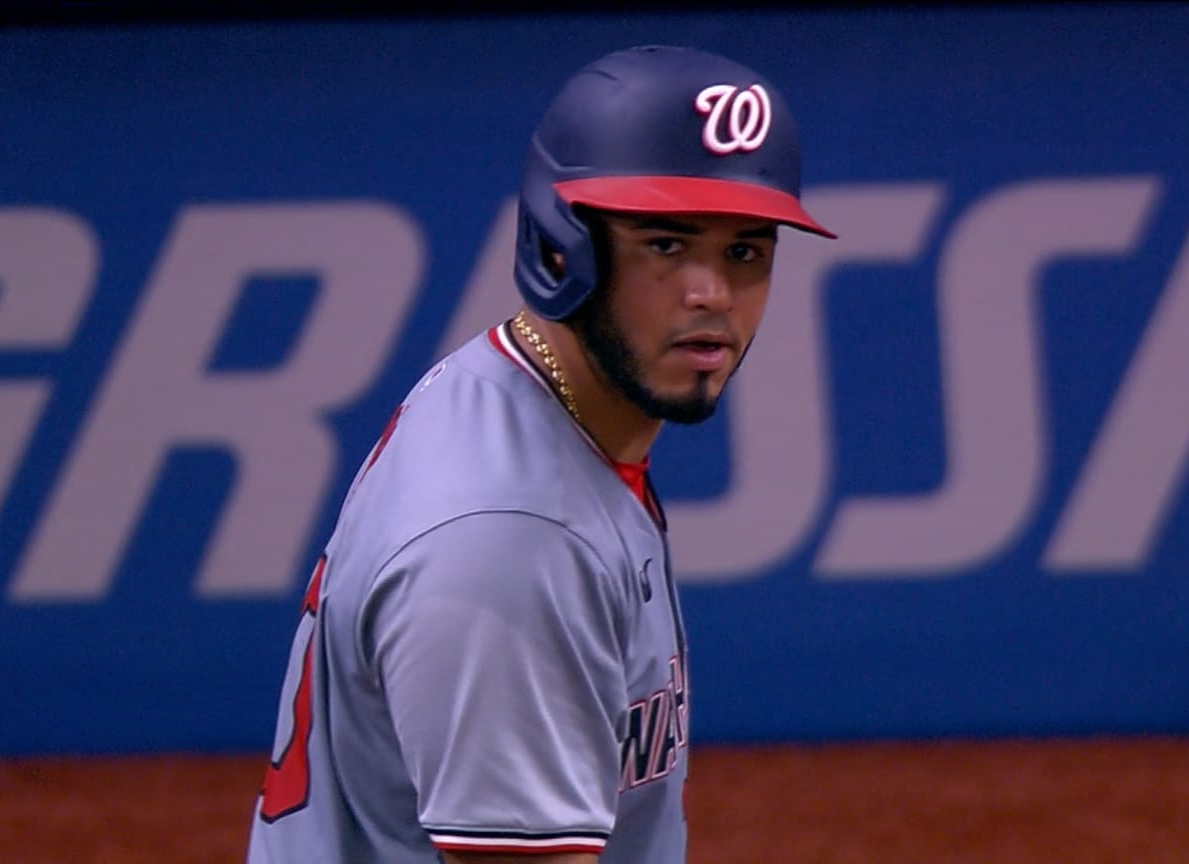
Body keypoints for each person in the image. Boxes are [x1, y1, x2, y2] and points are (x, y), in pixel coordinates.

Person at [246, 45, 834, 863]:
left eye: (745, 251)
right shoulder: (513, 538)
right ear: (563, 247)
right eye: (666, 245)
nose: (713, 293)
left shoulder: (522, 404)